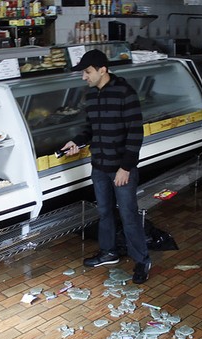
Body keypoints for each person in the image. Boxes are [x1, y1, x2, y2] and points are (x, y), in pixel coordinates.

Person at [60, 49, 151, 284]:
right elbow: (91, 129)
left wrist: (126, 168)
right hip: (99, 165)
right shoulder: (92, 96)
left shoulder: (125, 93)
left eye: (87, 72)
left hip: (120, 168)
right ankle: (108, 252)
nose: (84, 77)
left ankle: (142, 260)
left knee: (128, 214)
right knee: (104, 212)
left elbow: (135, 134)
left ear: (103, 70)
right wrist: (77, 142)